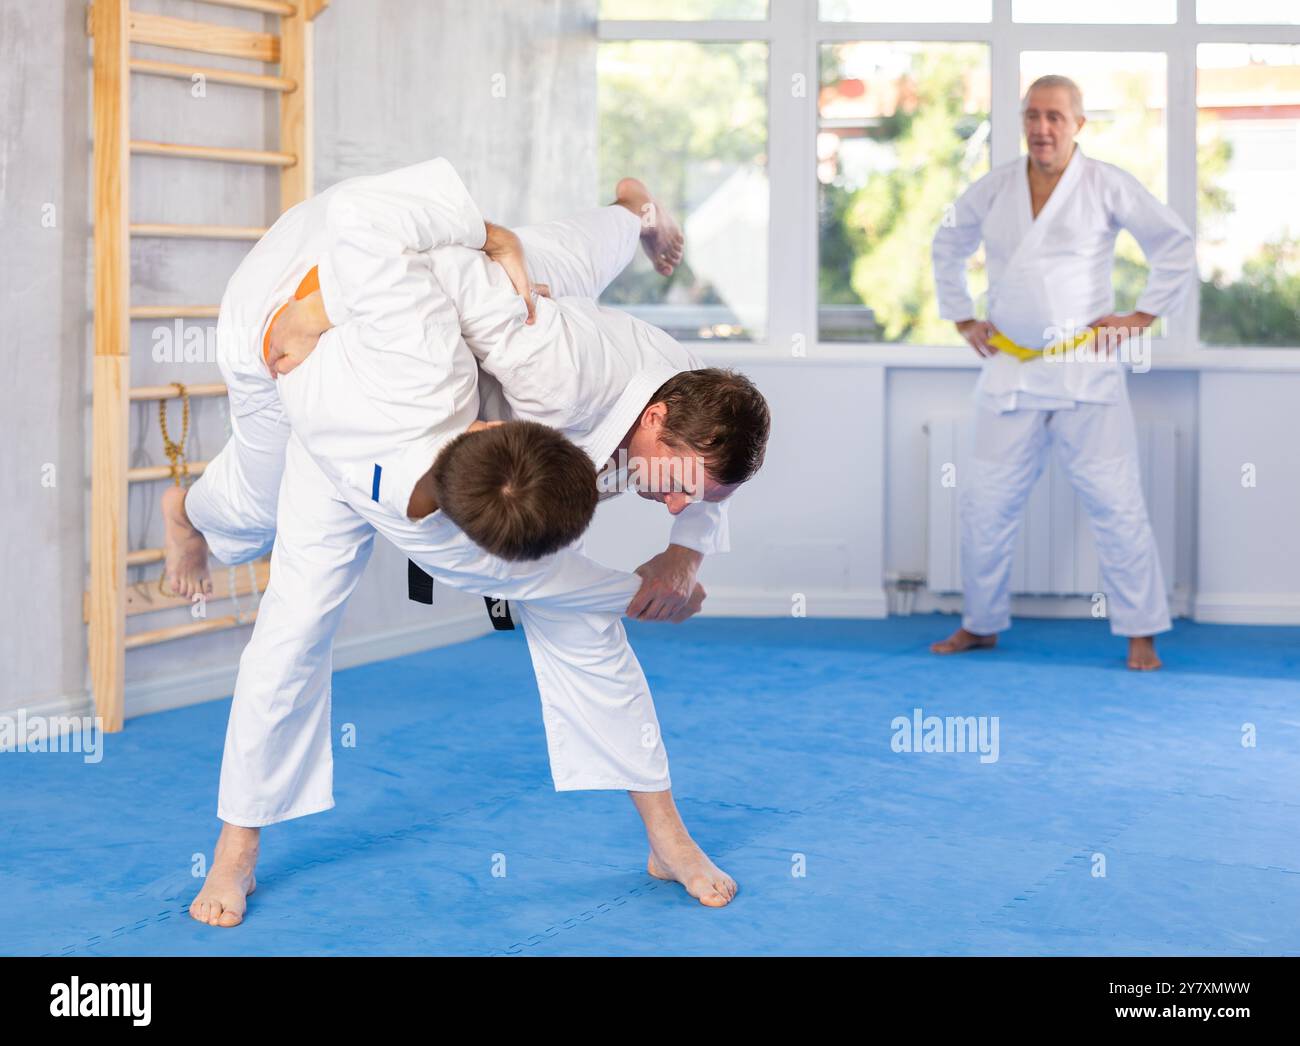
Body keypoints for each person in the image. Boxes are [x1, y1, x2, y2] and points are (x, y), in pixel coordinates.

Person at [184, 161, 770, 926]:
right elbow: (441, 272)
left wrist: (685, 551)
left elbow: (705, 485)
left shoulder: (693, 398)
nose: (683, 502)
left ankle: (635, 208)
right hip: (340, 388)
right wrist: (319, 308)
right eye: (682, 483)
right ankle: (235, 852)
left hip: (491, 391)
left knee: (578, 246)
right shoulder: (540, 370)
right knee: (289, 624)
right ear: (656, 422)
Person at [929, 74, 1195, 672]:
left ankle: (1141, 632)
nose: (1041, 128)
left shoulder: (1105, 184)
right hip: (1010, 370)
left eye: (1054, 116)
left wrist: (1142, 316)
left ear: (1078, 124)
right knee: (983, 504)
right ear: (1022, 122)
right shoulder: (996, 187)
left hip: (1085, 371)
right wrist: (962, 317)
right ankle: (981, 623)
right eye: (1032, 116)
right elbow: (946, 243)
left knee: (1117, 501)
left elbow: (1173, 242)